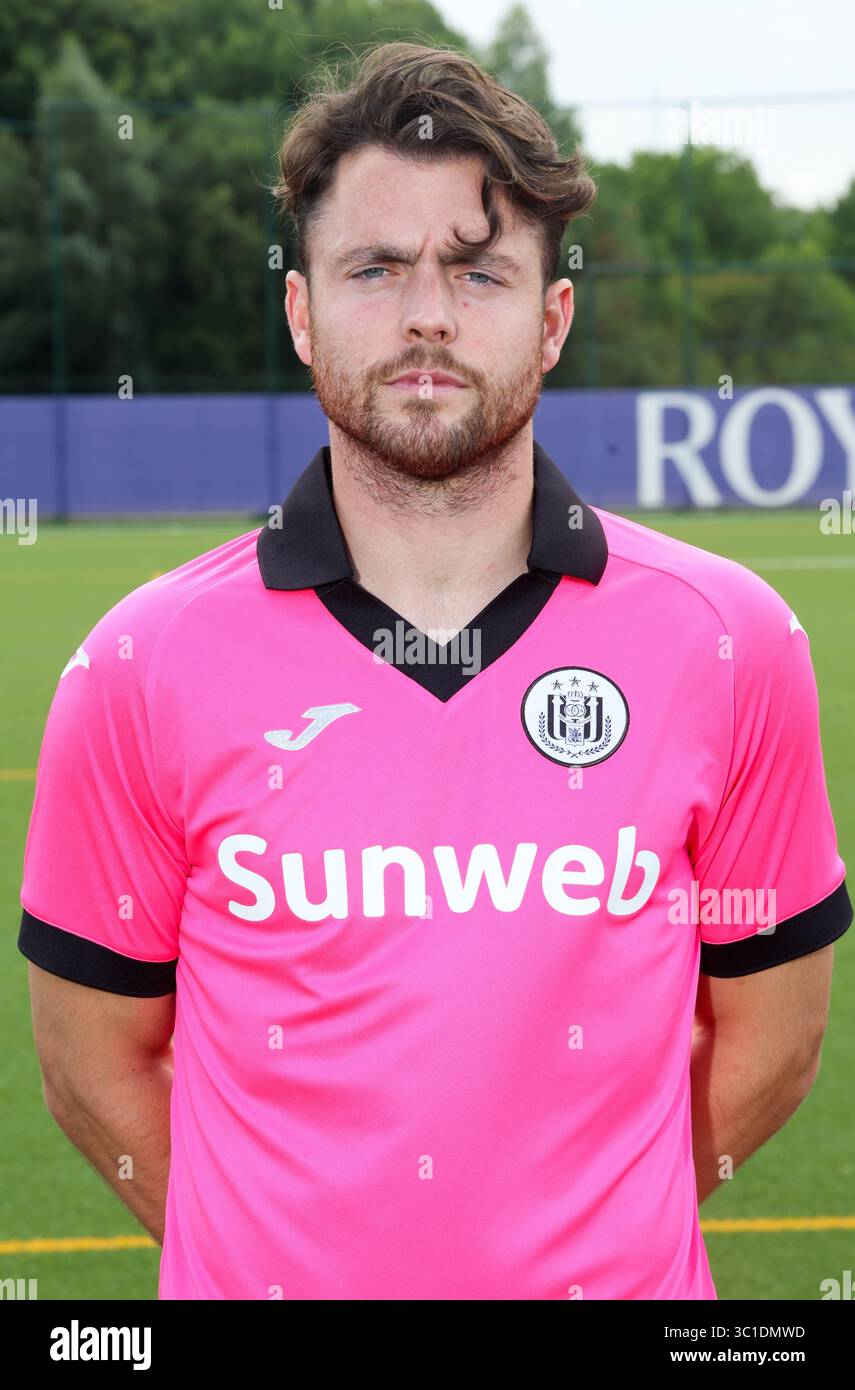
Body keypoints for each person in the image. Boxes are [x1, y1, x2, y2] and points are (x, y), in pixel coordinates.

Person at [19, 42, 851, 1300]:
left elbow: (773, 1037)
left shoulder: (728, 641)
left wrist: (588, 1226)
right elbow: (93, 1063)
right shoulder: (138, 665)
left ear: (553, 316)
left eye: (479, 270)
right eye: (374, 267)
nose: (427, 316)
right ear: (301, 311)